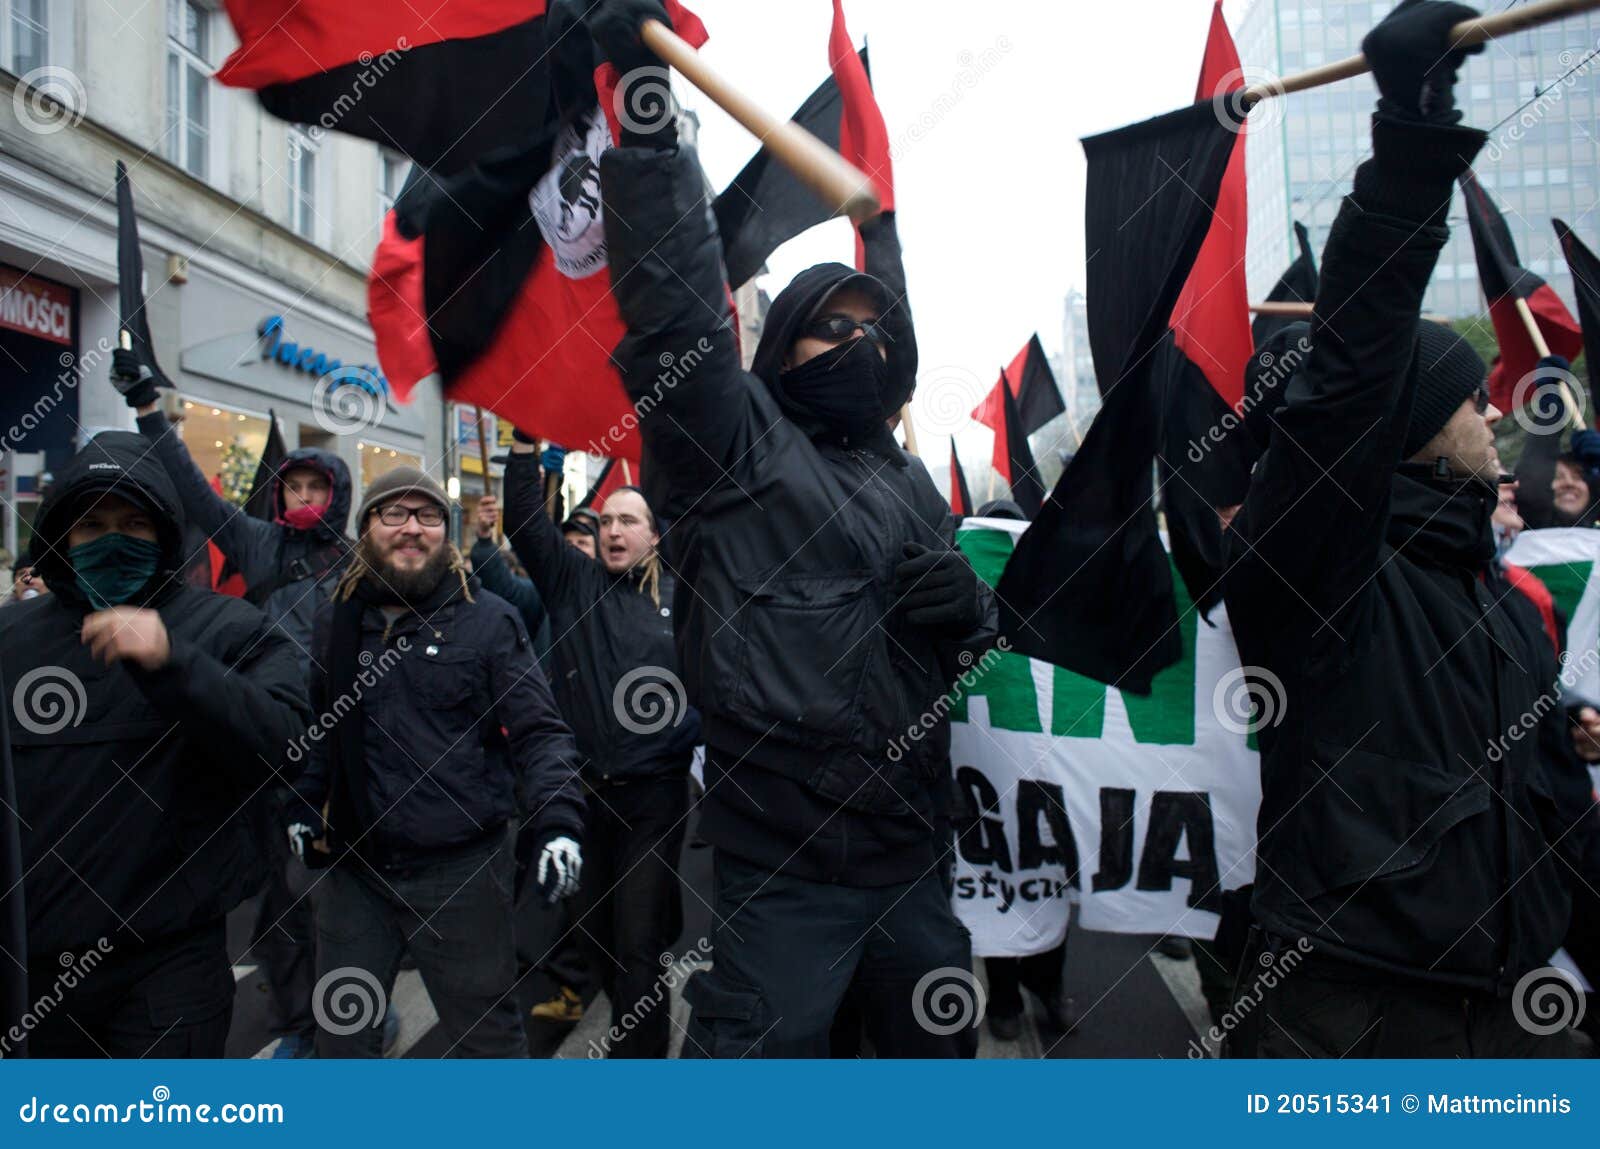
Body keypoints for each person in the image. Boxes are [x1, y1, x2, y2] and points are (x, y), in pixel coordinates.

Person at [582, 0, 997, 1058]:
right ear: (779, 352)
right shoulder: (732, 442)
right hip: (785, 875)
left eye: (872, 329)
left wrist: (972, 613)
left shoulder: (908, 480)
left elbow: (958, 661)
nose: (856, 344)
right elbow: (674, 301)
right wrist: (643, 118)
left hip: (912, 862)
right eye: (828, 327)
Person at [1223, 0, 1585, 1057]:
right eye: (1472, 401)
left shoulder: (1494, 599)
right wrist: (1411, 138)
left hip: (1511, 1009)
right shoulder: (1324, 573)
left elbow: (1553, 808)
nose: (1494, 417)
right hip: (1353, 1020)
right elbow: (1345, 378)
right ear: (1418, 429)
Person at [0, 432, 310, 1057]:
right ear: (62, 536)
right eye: (93, 526)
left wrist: (174, 664)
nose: (114, 540)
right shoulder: (12, 638)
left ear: (166, 534)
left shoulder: (230, 629)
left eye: (134, 524)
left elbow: (281, 744)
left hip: (167, 971)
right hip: (34, 973)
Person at [284, 467, 586, 1058]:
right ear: (366, 527)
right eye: (393, 513)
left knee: (487, 1044)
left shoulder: (488, 620)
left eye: (427, 516)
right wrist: (302, 801)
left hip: (461, 874)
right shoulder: (335, 620)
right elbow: (323, 730)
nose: (411, 529)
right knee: (342, 1042)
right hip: (356, 869)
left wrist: (558, 821)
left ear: (445, 534)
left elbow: (540, 732)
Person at [111, 348, 356, 1058]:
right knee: (275, 893)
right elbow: (195, 495)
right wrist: (150, 412)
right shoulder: (260, 544)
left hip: (344, 753)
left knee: (339, 896)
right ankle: (296, 1022)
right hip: (269, 738)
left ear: (336, 494)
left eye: (317, 486)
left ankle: (352, 1011)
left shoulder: (358, 559)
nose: (303, 497)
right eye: (293, 486)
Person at [502, 435, 698, 1058]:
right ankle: (635, 1024)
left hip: (653, 798)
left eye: (629, 521)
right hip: (582, 798)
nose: (614, 531)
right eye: (606, 520)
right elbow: (525, 522)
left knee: (639, 943)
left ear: (655, 534)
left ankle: (635, 1069)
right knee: (595, 938)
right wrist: (524, 450)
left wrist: (679, 733)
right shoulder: (571, 584)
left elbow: (716, 683)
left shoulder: (687, 598)